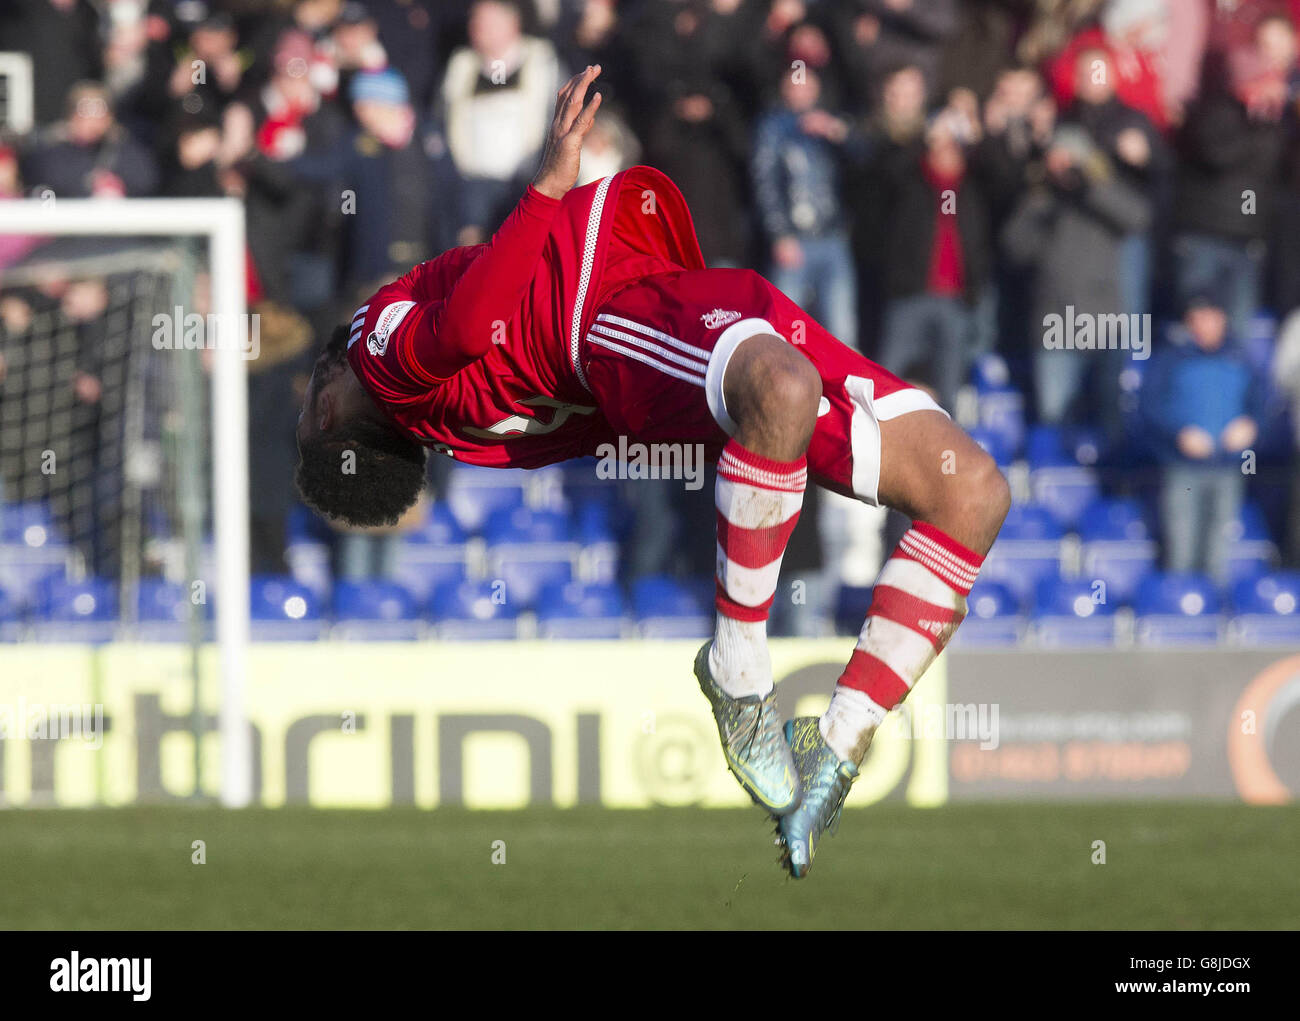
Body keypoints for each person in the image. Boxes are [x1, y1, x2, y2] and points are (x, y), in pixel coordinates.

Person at [294, 67, 1009, 878]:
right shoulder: (373, 347)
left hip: (679, 308)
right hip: (607, 322)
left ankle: (836, 751)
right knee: (783, 388)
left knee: (973, 491)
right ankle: (738, 677)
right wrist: (547, 187)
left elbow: (481, 342)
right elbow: (472, 325)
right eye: (310, 408)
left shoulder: (448, 420)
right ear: (325, 414)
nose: (312, 391)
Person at [1145, 294, 1263, 584]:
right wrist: (1179, 433)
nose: (1203, 325)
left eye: (1209, 317)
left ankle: (1213, 616)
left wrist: (1251, 426)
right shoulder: (1170, 359)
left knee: (1219, 552)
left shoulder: (1241, 357)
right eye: (1196, 318)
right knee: (1182, 547)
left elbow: (1263, 404)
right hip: (1182, 468)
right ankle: (1181, 613)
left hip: (1228, 467)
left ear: (1222, 318)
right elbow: (1148, 408)